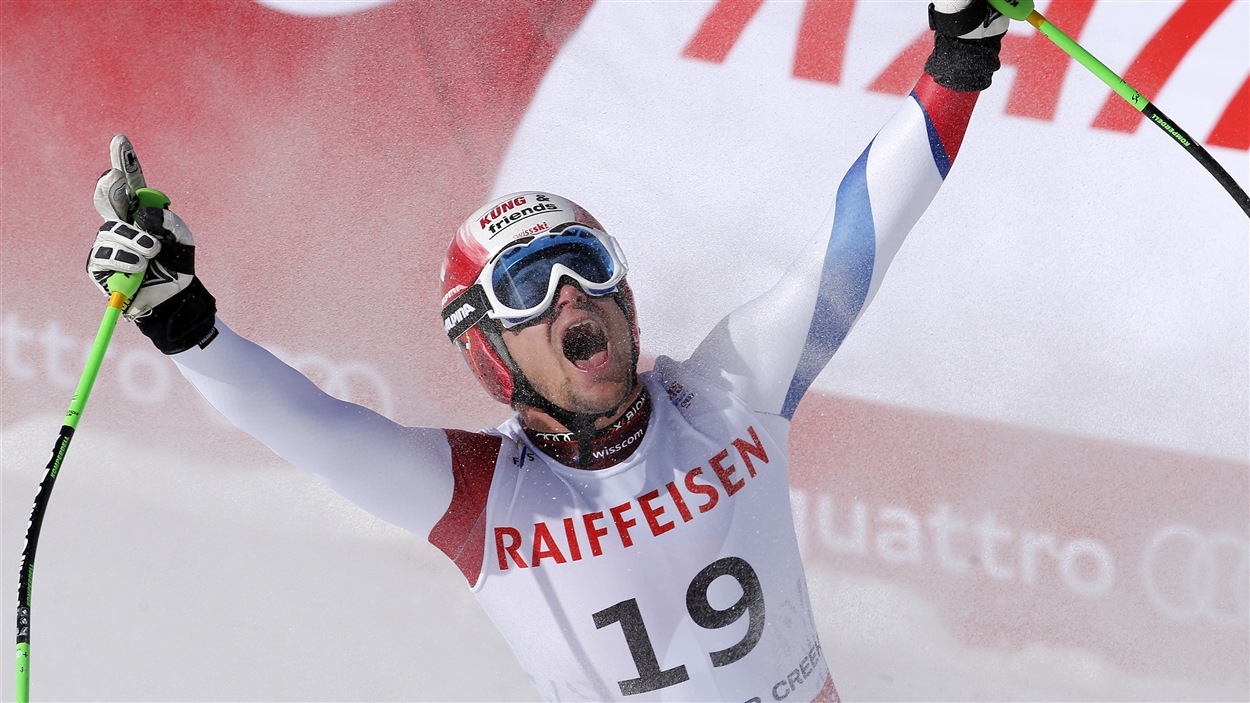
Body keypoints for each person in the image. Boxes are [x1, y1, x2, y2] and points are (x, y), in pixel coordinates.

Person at [85, 2, 1009, 700]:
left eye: (587, 264)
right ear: (489, 353)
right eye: (528, 286)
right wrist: (182, 319)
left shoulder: (730, 392)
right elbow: (312, 427)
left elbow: (857, 238)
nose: (572, 293)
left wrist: (958, 63)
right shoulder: (489, 498)